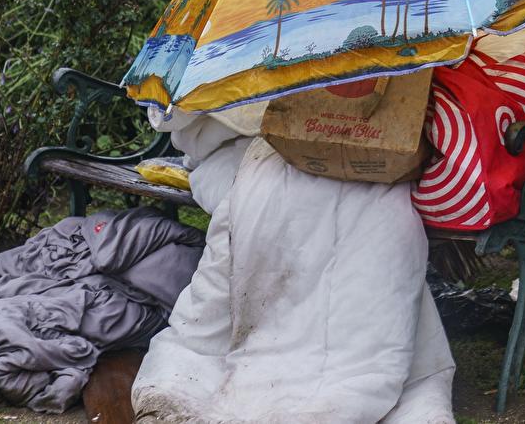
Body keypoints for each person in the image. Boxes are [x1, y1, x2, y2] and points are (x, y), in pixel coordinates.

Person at [130, 100, 456, 423]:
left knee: (380, 214)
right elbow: (195, 119)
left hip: (365, 147)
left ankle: (347, 373)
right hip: (244, 150)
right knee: (279, 194)